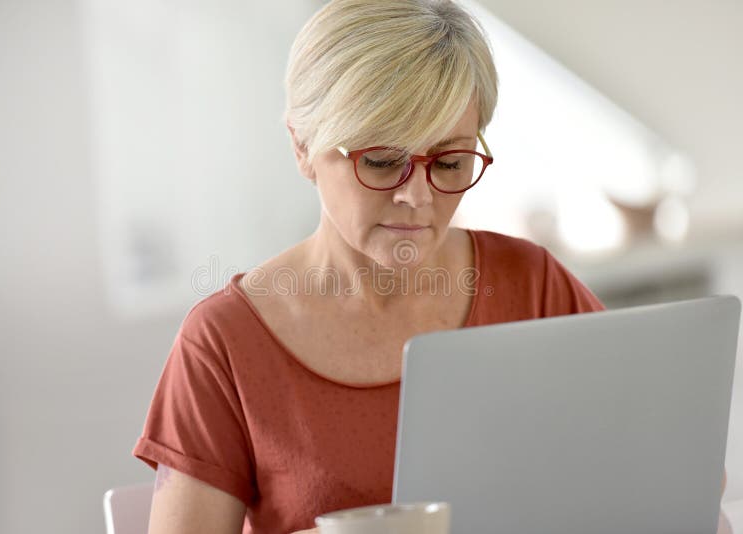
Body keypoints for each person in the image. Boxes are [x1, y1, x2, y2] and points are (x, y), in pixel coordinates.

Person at [131, 1, 728, 533]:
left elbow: (670, 475)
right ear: (302, 147)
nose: (417, 197)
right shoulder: (225, 345)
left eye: (449, 162)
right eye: (384, 161)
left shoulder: (533, 285)